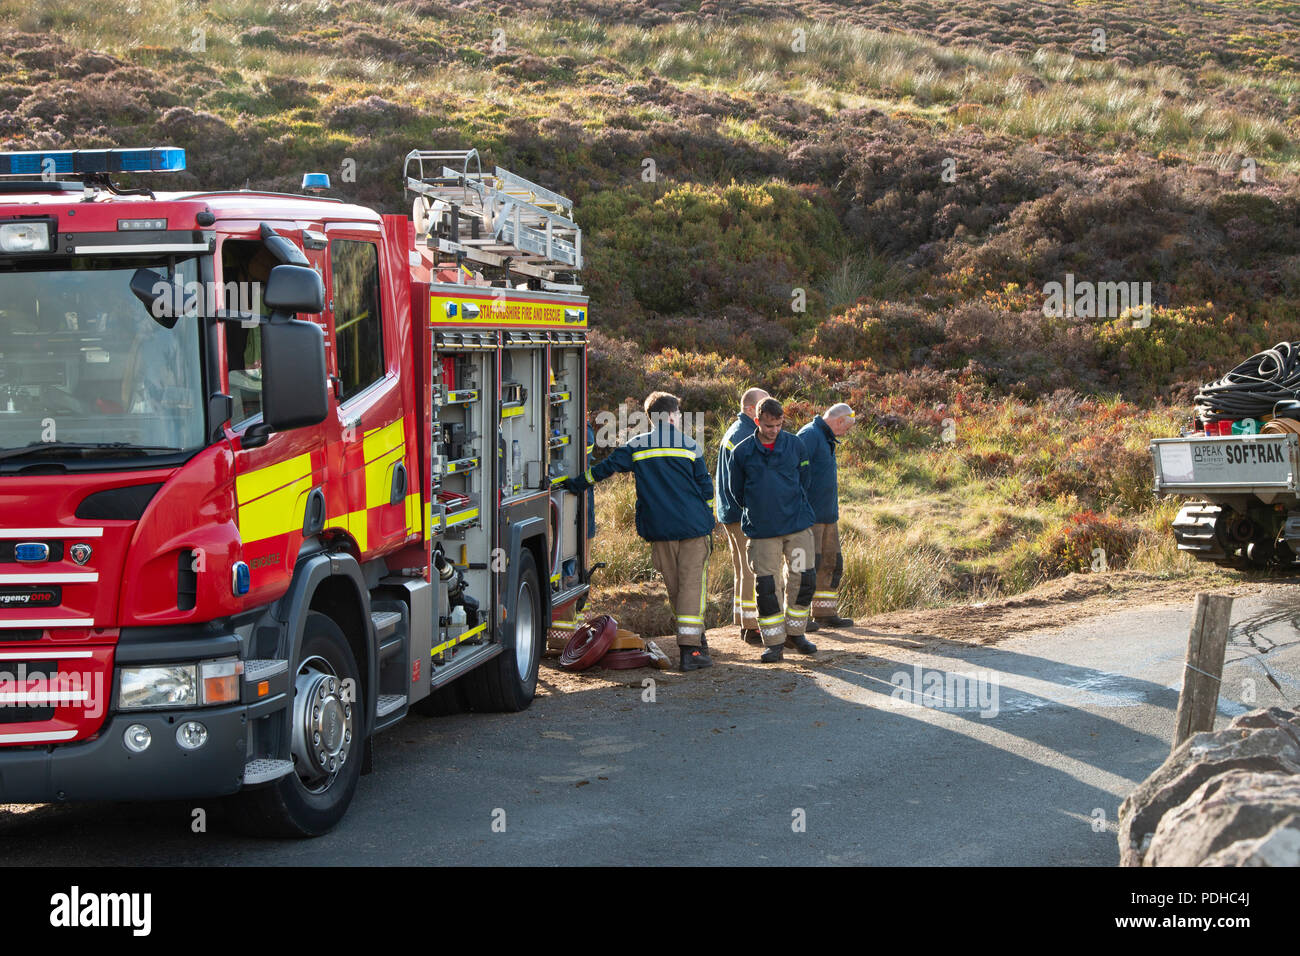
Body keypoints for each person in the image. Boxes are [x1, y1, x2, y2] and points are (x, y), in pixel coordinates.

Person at [563, 392, 716, 671]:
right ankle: (691, 651)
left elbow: (604, 469)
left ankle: (694, 640)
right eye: (679, 414)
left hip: (660, 530)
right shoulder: (691, 446)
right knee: (693, 586)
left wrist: (575, 484)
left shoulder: (637, 446)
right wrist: (709, 518)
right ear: (671, 416)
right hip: (694, 529)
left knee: (675, 588)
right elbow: (706, 489)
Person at [727, 397, 817, 663]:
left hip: (797, 527)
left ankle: (796, 634)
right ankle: (774, 643)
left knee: (804, 580)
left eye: (778, 425)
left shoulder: (796, 445)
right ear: (757, 421)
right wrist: (760, 509)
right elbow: (736, 491)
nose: (774, 430)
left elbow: (805, 480)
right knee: (767, 587)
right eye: (768, 425)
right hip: (763, 531)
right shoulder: (741, 452)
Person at [716, 386, 769, 646]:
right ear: (751, 409)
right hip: (740, 513)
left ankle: (742, 621)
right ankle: (751, 627)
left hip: (729, 511)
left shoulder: (737, 430)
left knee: (741, 569)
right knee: (751, 570)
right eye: (764, 405)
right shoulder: (744, 435)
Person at [798, 403, 856, 630]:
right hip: (809, 517)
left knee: (831, 564)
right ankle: (798, 617)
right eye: (847, 428)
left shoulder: (826, 437)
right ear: (839, 421)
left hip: (828, 516)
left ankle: (824, 612)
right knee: (806, 567)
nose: (846, 433)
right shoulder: (809, 435)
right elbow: (794, 473)